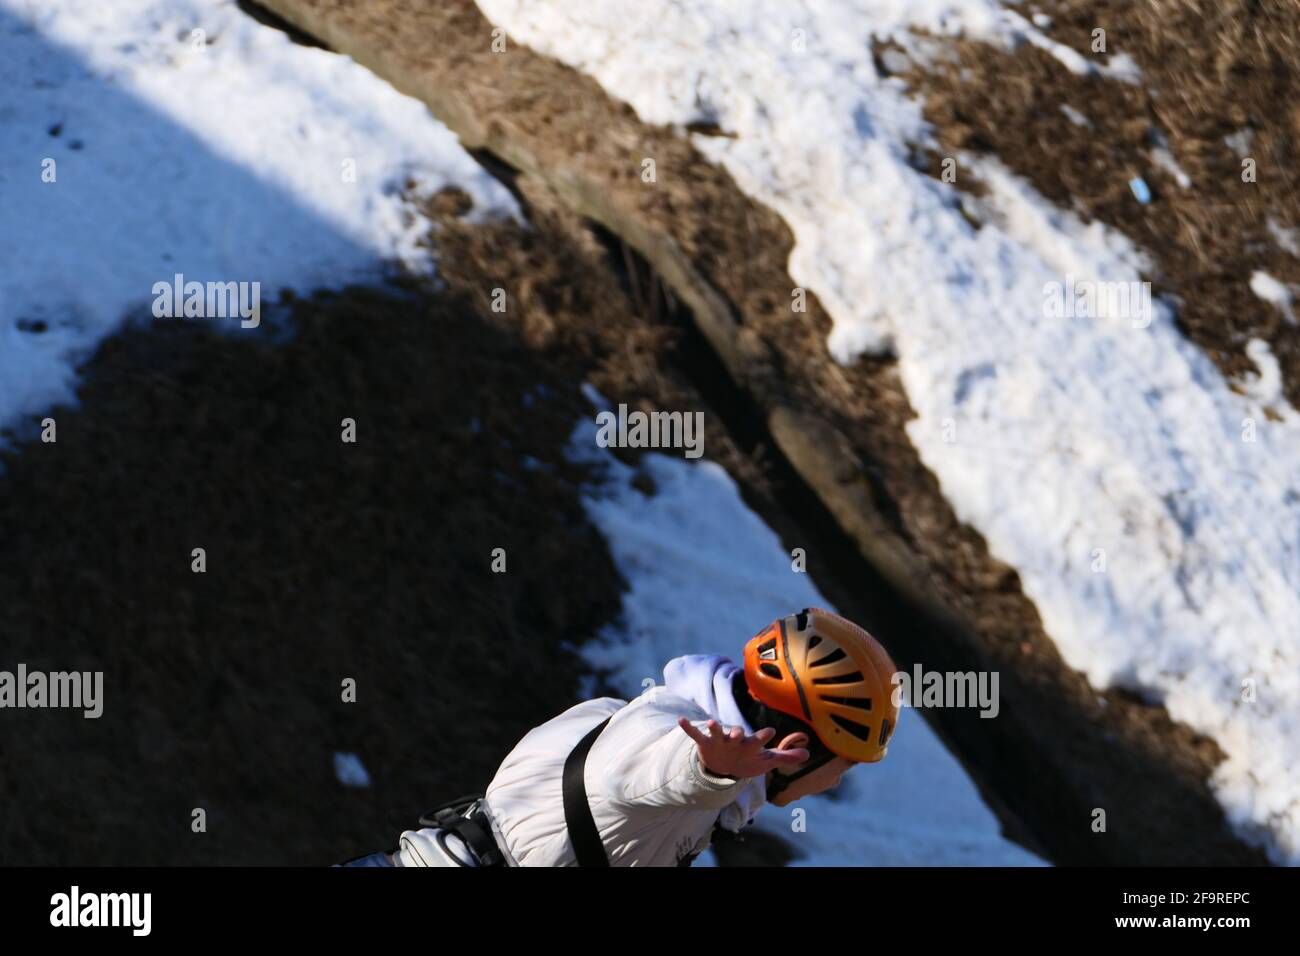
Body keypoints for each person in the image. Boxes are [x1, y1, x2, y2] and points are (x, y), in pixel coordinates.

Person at [339, 607, 899, 867]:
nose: (830, 785)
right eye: (842, 765)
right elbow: (639, 772)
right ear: (801, 749)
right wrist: (711, 769)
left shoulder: (635, 718)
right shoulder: (660, 731)